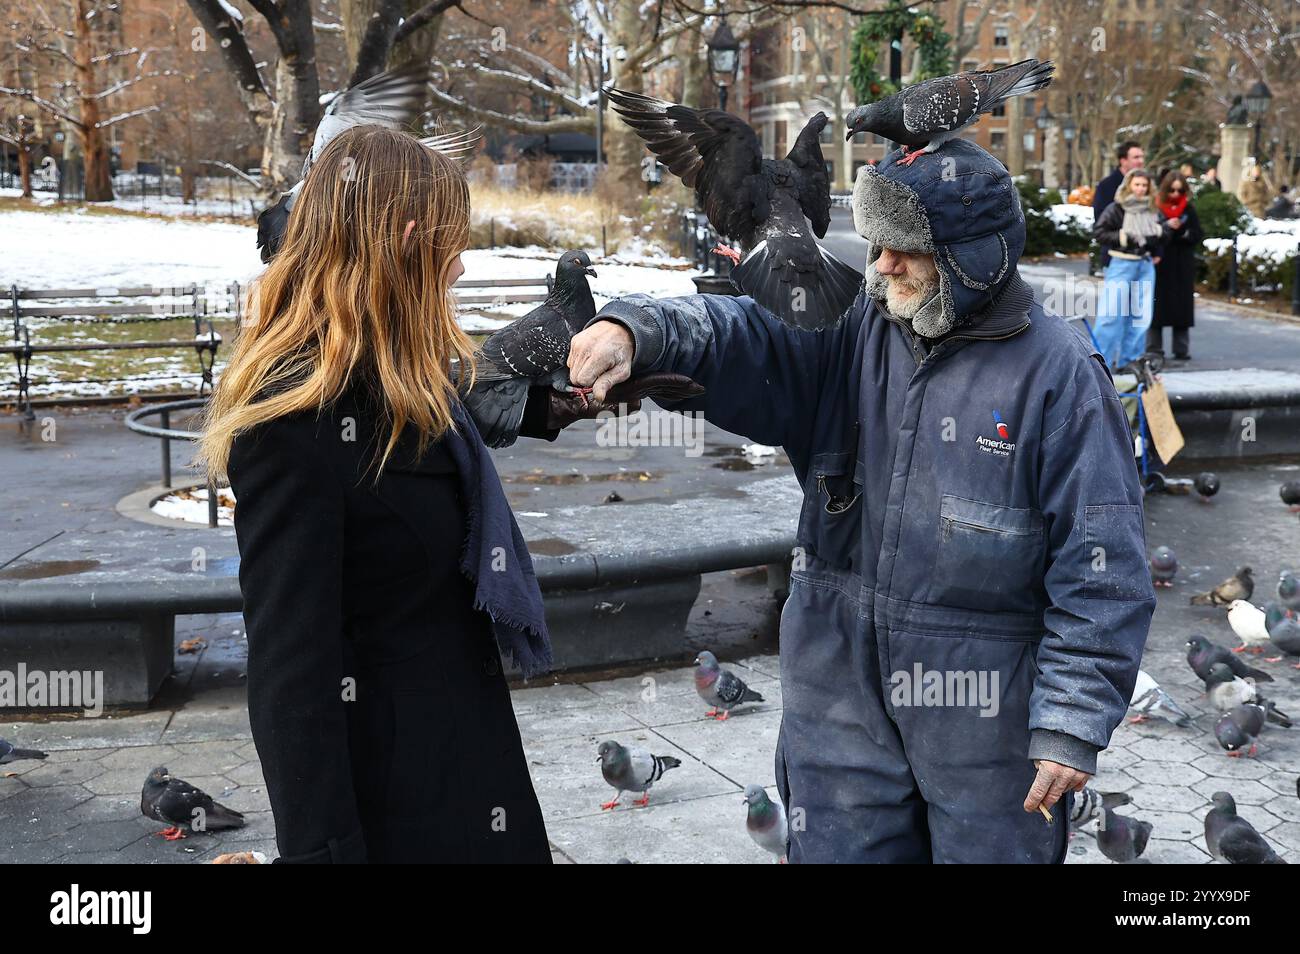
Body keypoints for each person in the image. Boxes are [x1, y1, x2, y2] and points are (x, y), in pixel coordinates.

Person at [506, 139, 1154, 863]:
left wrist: (1071, 718)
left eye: (906, 250)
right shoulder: (852, 327)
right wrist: (640, 331)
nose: (882, 266)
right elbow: (742, 333)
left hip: (984, 711)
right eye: (878, 246)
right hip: (837, 688)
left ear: (974, 257)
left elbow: (1102, 567)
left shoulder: (1060, 374)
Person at [199, 126, 555, 864]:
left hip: (467, 767)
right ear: (408, 243)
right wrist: (323, 854)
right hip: (401, 806)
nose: (460, 266)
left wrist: (558, 405)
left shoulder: (401, 380)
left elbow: (445, 431)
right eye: (452, 244)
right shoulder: (291, 426)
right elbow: (293, 673)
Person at [1092, 168, 1168, 370]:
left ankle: (1130, 362)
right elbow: (1099, 232)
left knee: (1140, 317)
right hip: (1121, 263)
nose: (1141, 189)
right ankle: (1099, 364)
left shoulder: (1153, 210)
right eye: (1137, 185)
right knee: (1110, 315)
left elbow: (1164, 235)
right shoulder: (1117, 208)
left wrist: (1159, 233)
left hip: (1145, 264)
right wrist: (1124, 237)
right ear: (1128, 186)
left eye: (1144, 185)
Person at [1149, 170, 1202, 362]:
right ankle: (1154, 348)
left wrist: (1182, 231)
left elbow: (1197, 234)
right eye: (1172, 190)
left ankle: (1181, 349)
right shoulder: (1155, 208)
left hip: (1182, 263)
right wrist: (1166, 227)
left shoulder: (1188, 209)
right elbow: (1150, 235)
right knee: (1156, 307)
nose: (1175, 195)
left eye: (1180, 191)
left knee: (1182, 307)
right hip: (1160, 262)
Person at [1092, 140, 1145, 269]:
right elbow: (1101, 223)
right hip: (1116, 257)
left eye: (1142, 157)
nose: (1141, 161)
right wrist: (1125, 236)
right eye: (1136, 157)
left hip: (1144, 258)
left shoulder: (1148, 187)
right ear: (1123, 160)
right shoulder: (1106, 186)